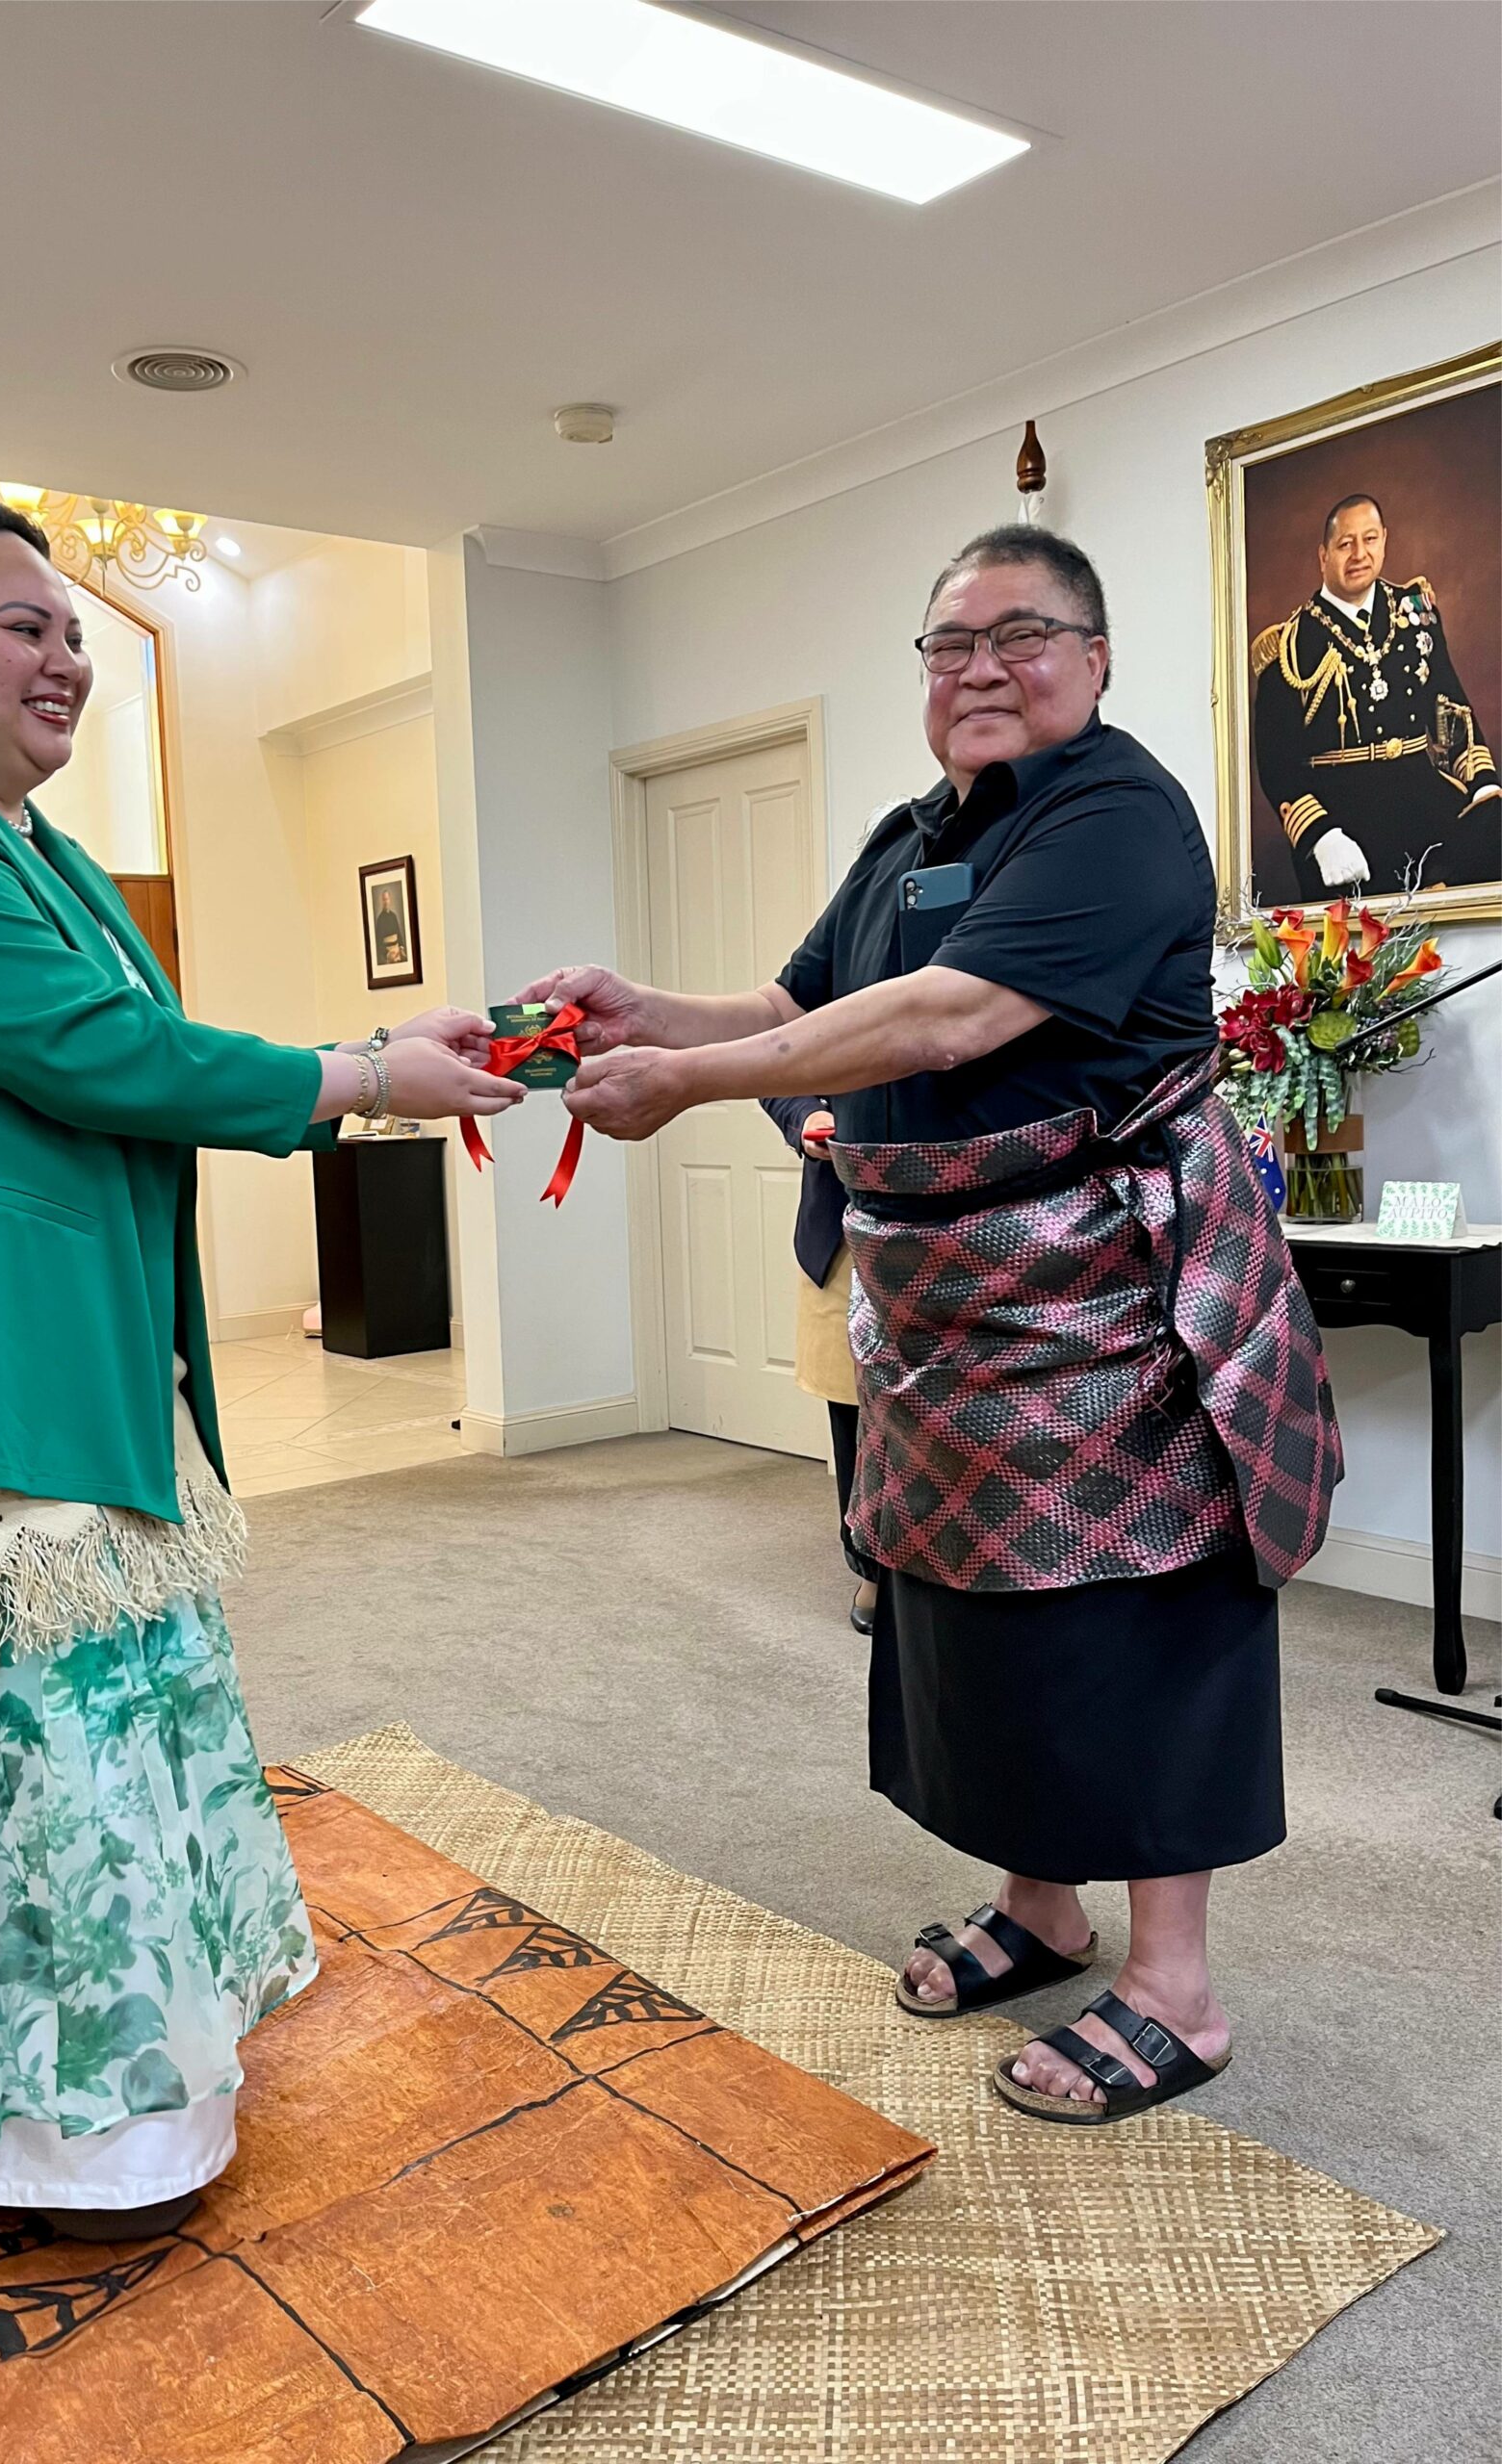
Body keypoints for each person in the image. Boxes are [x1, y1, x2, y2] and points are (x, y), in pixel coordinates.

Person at [0, 496, 523, 2231]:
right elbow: (97, 1054)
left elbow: (120, 1049)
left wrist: (367, 1054)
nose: (66, 657)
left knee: (82, 1729)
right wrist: (364, 1075)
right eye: (21, 624)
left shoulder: (11, 838)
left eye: (75, 628)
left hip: (20, 1341)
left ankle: (123, 2108)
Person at [525, 526, 1339, 2127]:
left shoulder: (1120, 814)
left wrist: (686, 1088)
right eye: (950, 642)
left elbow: (959, 1012)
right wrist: (651, 1016)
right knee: (981, 1619)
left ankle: (1176, 1985)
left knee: (1142, 1611)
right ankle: (1043, 1907)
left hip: (1111, 1295)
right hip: (948, 1311)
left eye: (1022, 633)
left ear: (1095, 661)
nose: (981, 666)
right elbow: (793, 1014)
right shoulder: (912, 836)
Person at [1253, 492, 1498, 897]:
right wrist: (1320, 835)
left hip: (1424, 802)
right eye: (1345, 544)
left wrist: (1482, 782)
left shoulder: (1415, 611)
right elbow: (1277, 764)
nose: (1359, 554)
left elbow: (1447, 706)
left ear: (1384, 540)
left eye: (1369, 539)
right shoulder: (1289, 645)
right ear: (1323, 556)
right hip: (1344, 823)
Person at [759, 1095, 882, 1633]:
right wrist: (804, 1117)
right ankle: (872, 1567)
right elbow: (776, 1068)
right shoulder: (818, 1004)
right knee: (854, 1406)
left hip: (970, 1214)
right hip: (845, 1223)